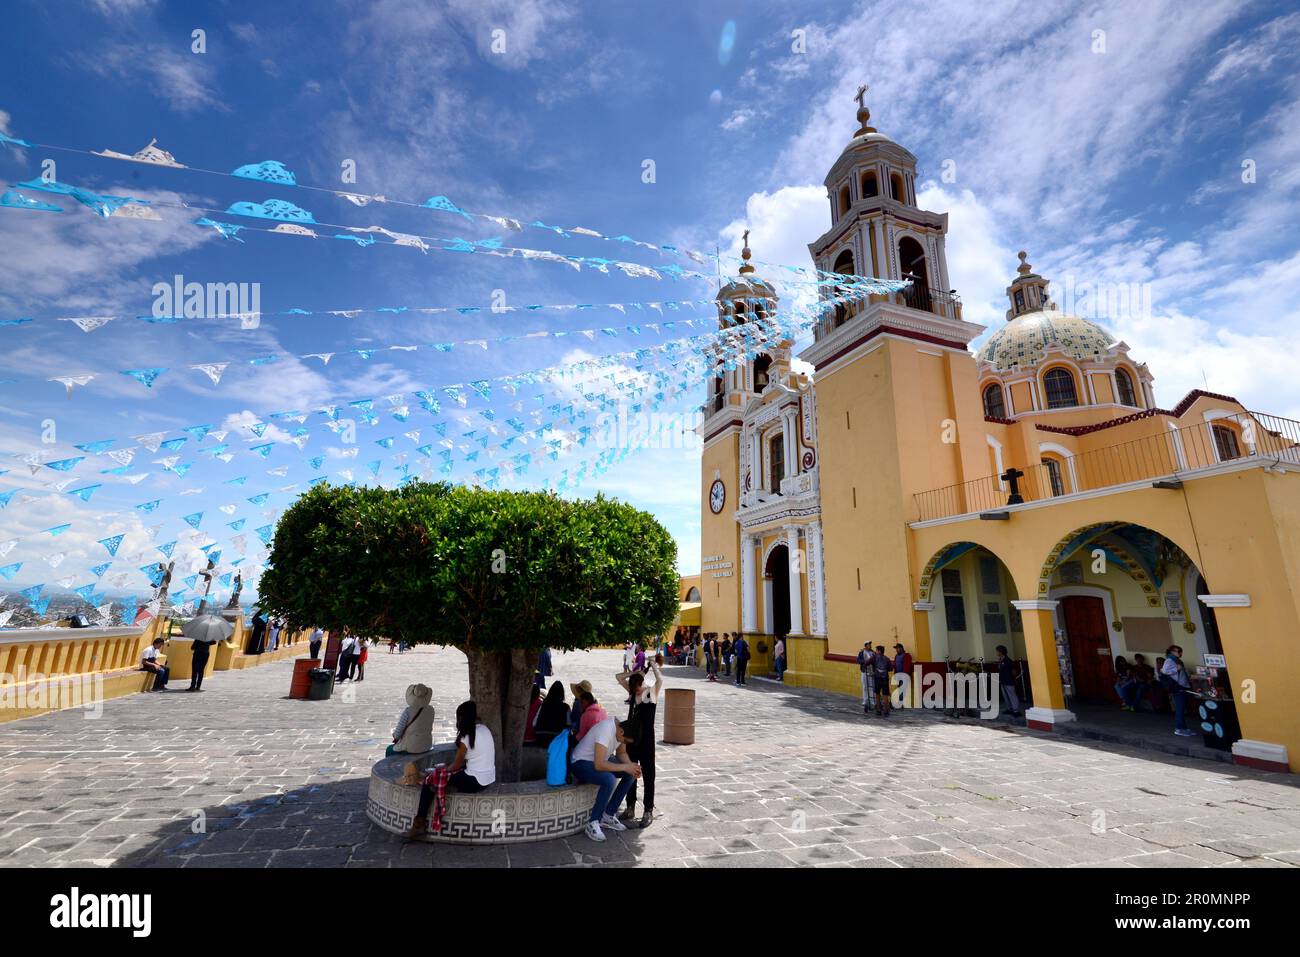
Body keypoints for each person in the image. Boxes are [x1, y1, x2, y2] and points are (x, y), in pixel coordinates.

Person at [407, 701, 496, 839]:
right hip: (489, 777)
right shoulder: (484, 729)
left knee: (430, 781)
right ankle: (420, 824)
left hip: (475, 781)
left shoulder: (466, 738)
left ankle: (419, 824)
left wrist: (443, 769)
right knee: (442, 777)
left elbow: (455, 766)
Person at [570, 715, 641, 843]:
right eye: (625, 741)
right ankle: (593, 822)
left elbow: (621, 753)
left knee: (630, 774)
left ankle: (608, 815)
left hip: (597, 761)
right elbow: (599, 764)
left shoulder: (622, 729)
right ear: (621, 732)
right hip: (580, 763)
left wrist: (631, 767)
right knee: (609, 780)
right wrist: (625, 767)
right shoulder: (606, 729)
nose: (623, 743)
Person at [617, 657, 662, 828]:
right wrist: (635, 672)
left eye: (636, 688)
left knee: (649, 775)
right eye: (632, 689)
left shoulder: (650, 693)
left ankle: (648, 810)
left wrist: (653, 665)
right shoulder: (632, 691)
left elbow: (660, 680)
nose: (634, 692)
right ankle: (630, 807)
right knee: (631, 771)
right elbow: (619, 677)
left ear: (641, 684)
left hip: (647, 740)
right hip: (632, 739)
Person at [1160, 644, 1196, 737]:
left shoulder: (1176, 660)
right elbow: (1164, 671)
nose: (1180, 653)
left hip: (1182, 686)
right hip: (1178, 687)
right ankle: (1179, 728)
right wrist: (1176, 669)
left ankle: (1183, 728)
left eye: (1181, 651)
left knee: (1182, 708)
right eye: (1178, 651)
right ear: (1172, 652)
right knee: (1180, 709)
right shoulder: (1169, 660)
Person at [391, 683, 435, 755]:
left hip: (411, 747)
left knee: (389, 750)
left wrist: (394, 736)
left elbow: (398, 733)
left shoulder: (408, 711)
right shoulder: (431, 709)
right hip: (426, 745)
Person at [534, 680, 570, 747]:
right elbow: (569, 725)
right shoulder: (566, 707)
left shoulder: (543, 705)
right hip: (557, 737)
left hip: (541, 737)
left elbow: (534, 723)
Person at [995, 645, 1021, 717]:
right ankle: (1009, 709)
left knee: (1012, 695)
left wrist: (1015, 679)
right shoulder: (1000, 660)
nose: (996, 652)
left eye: (997, 651)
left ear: (1001, 652)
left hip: (1009, 681)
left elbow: (1014, 671)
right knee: (1006, 696)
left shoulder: (1008, 660)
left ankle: (1016, 710)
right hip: (1003, 681)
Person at [872, 644, 893, 717]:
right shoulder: (887, 659)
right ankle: (886, 711)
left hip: (877, 678)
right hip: (885, 679)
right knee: (885, 695)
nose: (876, 652)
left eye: (876, 650)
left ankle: (878, 710)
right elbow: (891, 668)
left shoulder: (874, 658)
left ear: (879, 651)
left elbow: (867, 662)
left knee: (877, 694)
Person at [856, 642, 876, 714]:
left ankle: (872, 701)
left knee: (871, 686)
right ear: (865, 646)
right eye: (868, 645)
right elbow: (858, 660)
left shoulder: (873, 652)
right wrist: (865, 662)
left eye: (870, 644)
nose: (870, 646)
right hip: (864, 671)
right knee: (864, 686)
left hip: (871, 672)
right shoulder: (861, 652)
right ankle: (865, 700)